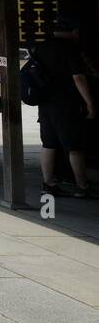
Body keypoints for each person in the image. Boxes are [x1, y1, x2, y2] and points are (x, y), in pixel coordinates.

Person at [34, 16, 97, 198]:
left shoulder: (41, 47)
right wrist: (90, 103)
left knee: (48, 144)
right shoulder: (70, 49)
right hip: (66, 105)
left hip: (45, 104)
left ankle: (48, 183)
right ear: (73, 32)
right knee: (74, 146)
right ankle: (82, 186)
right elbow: (78, 77)